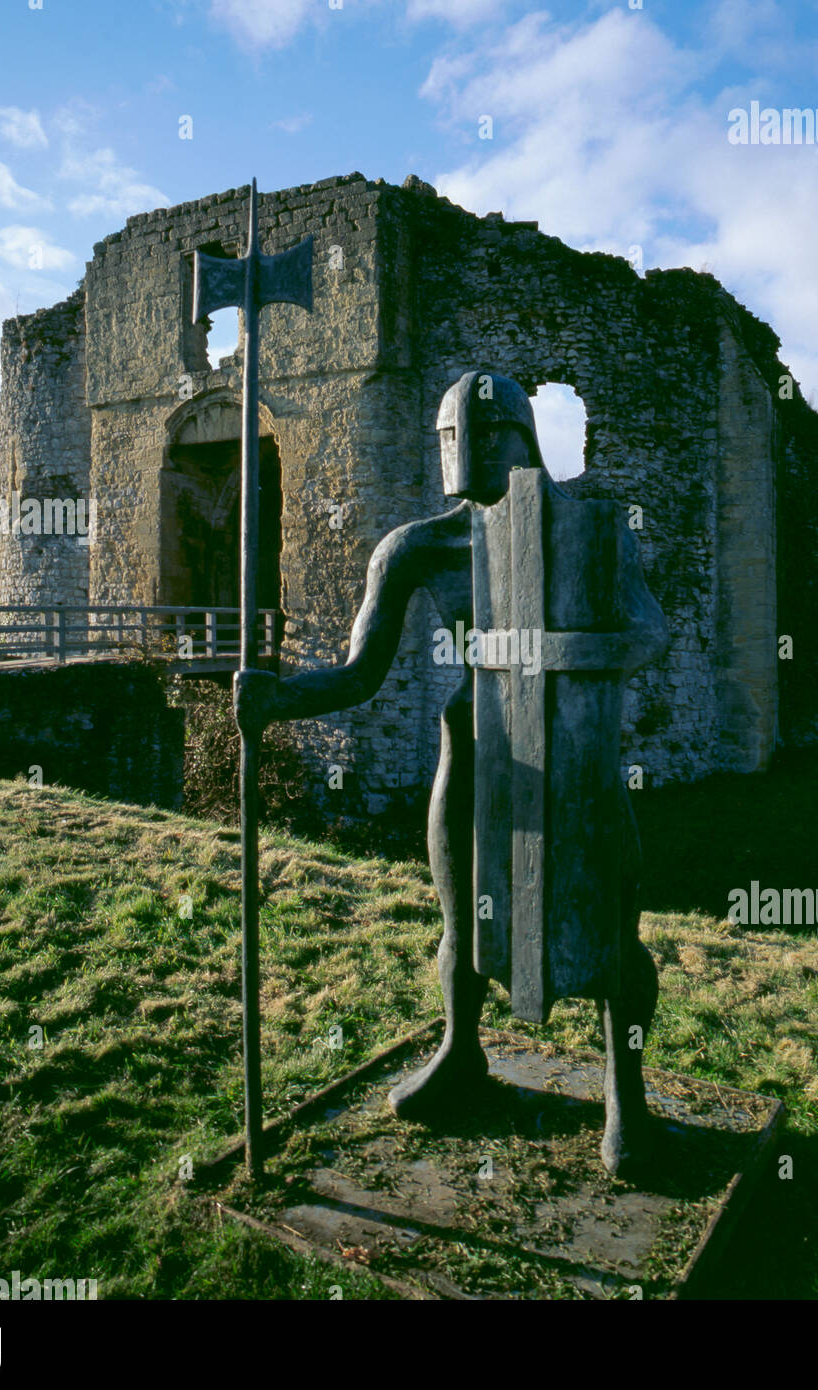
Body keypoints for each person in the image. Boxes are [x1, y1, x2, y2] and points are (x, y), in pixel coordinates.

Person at [235, 370, 669, 1174]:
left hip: (577, 763)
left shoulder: (597, 532)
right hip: (473, 754)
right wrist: (279, 698)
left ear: (520, 438)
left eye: (484, 433)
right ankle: (461, 1052)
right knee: (460, 919)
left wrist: (562, 659)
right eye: (448, 437)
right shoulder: (418, 548)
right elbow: (360, 674)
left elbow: (648, 632)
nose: (464, 451)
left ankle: (626, 1096)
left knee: (613, 926)